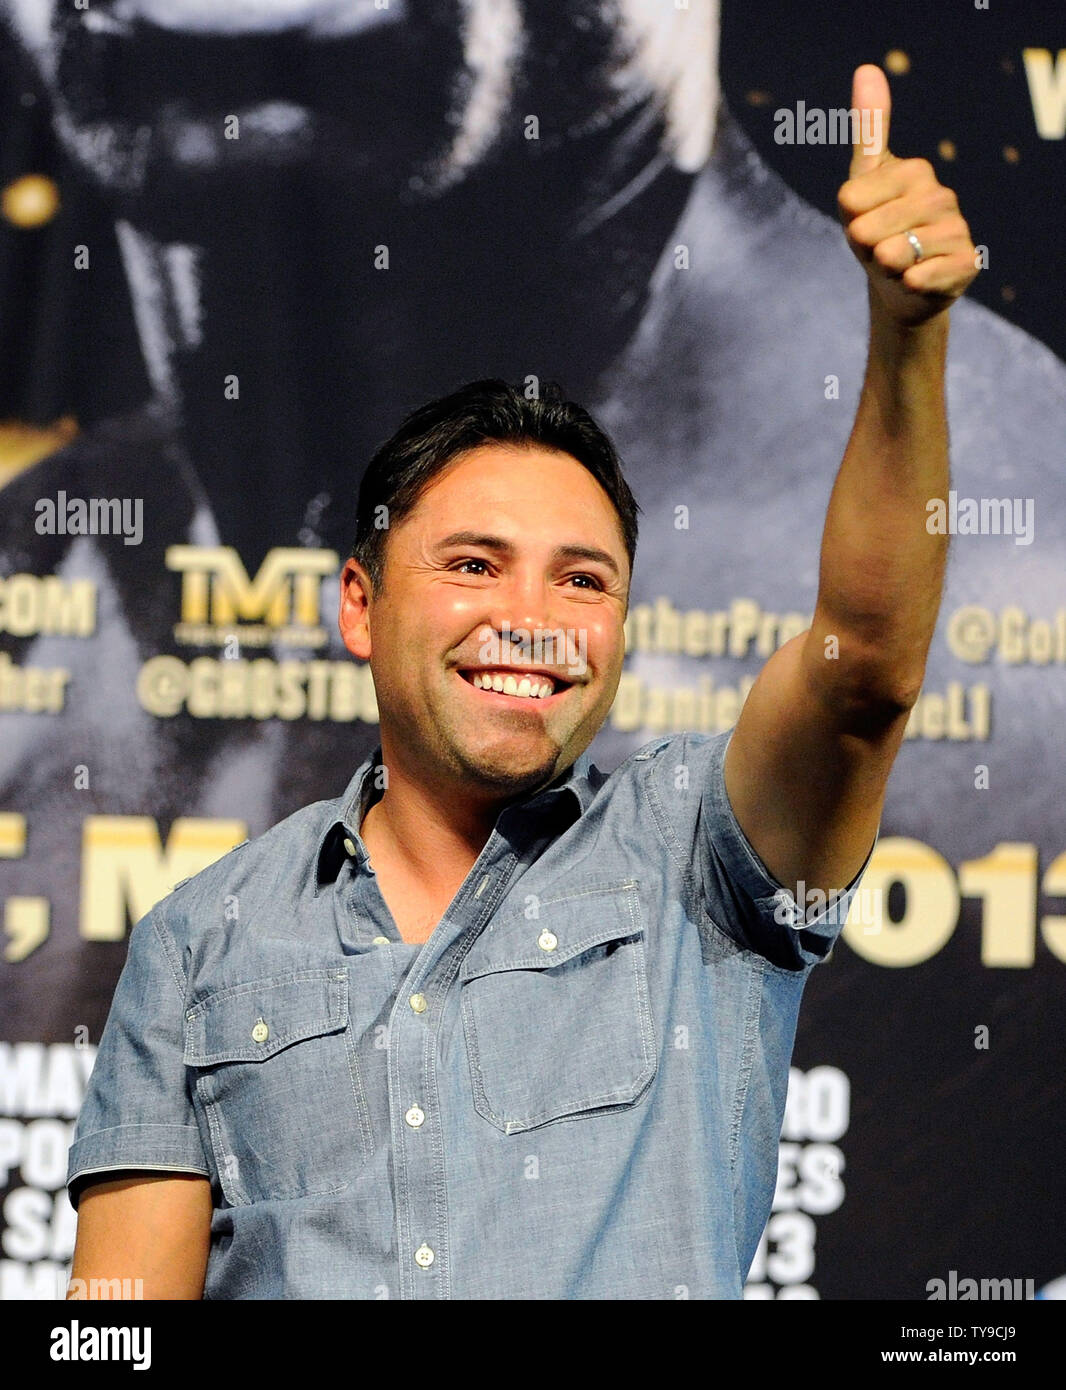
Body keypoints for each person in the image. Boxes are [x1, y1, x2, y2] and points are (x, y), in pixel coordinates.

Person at [63, 66, 978, 1298]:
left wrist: (906, 343)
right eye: (474, 564)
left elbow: (862, 668)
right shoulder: (198, 939)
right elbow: (116, 1324)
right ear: (359, 604)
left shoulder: (700, 857)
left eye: (584, 580)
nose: (532, 621)